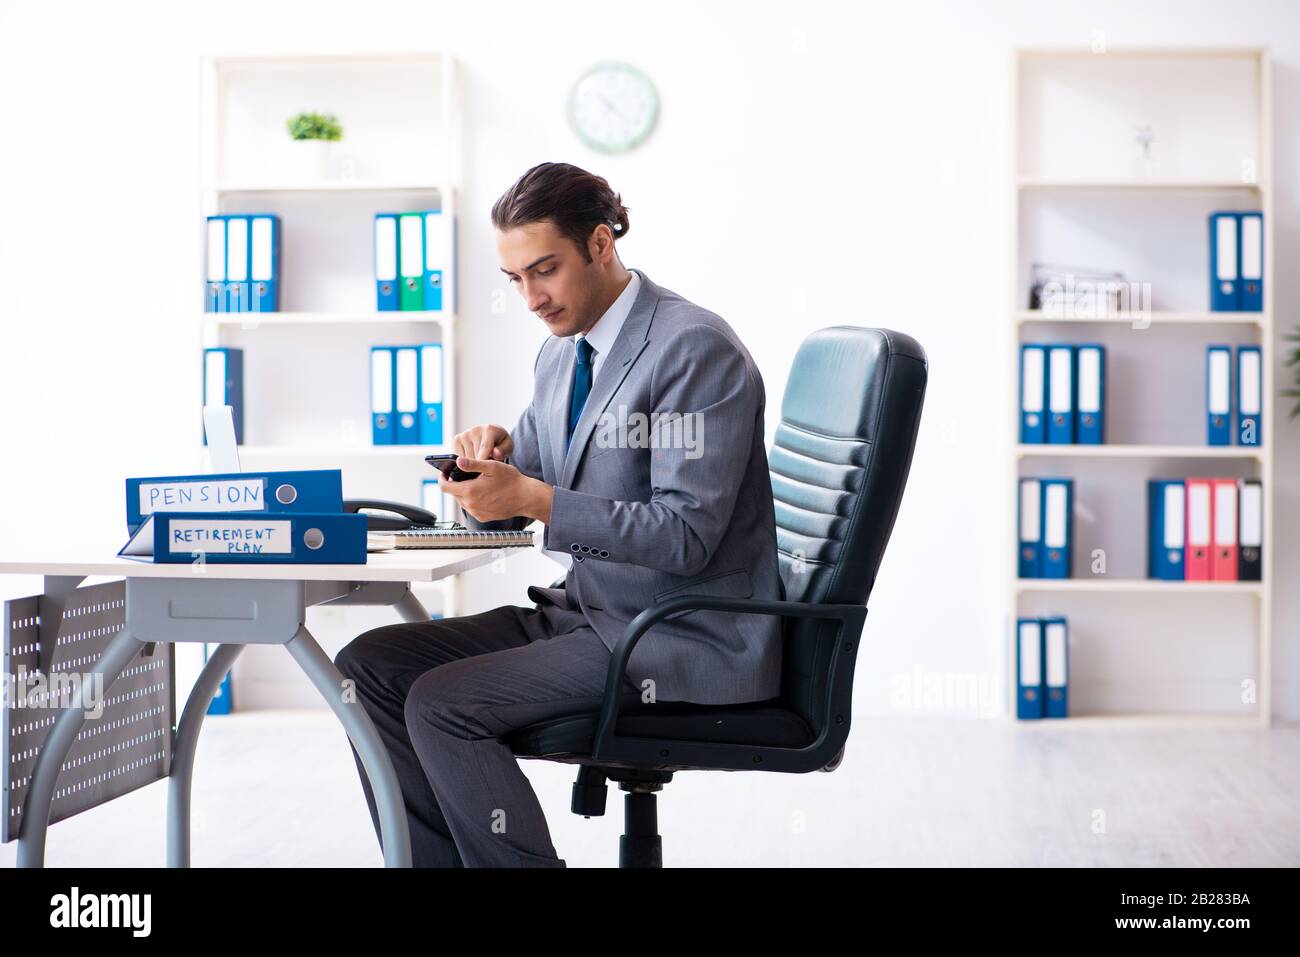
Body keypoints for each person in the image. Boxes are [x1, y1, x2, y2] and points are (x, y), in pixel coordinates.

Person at [335, 161, 782, 867]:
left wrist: (533, 497)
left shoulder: (693, 348)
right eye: (514, 279)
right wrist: (488, 469)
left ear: (601, 244)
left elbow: (686, 535)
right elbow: (523, 491)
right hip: (586, 614)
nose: (532, 297)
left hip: (677, 633)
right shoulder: (560, 355)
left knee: (443, 704)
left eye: (544, 269)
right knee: (369, 667)